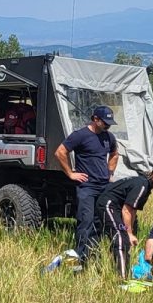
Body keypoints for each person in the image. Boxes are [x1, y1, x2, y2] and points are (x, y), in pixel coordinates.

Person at [55, 105, 119, 270]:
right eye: (105, 122)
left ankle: (93, 257)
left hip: (104, 187)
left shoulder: (109, 137)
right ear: (95, 119)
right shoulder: (80, 135)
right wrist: (71, 173)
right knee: (86, 222)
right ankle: (77, 263)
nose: (108, 126)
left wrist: (110, 172)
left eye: (110, 123)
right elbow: (60, 152)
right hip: (87, 187)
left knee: (99, 223)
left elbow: (114, 154)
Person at [95, 162, 153, 276]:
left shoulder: (146, 187)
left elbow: (133, 210)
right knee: (120, 237)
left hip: (117, 207)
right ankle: (122, 276)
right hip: (108, 205)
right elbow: (127, 210)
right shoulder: (142, 185)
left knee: (124, 239)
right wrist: (129, 233)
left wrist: (131, 231)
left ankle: (124, 271)